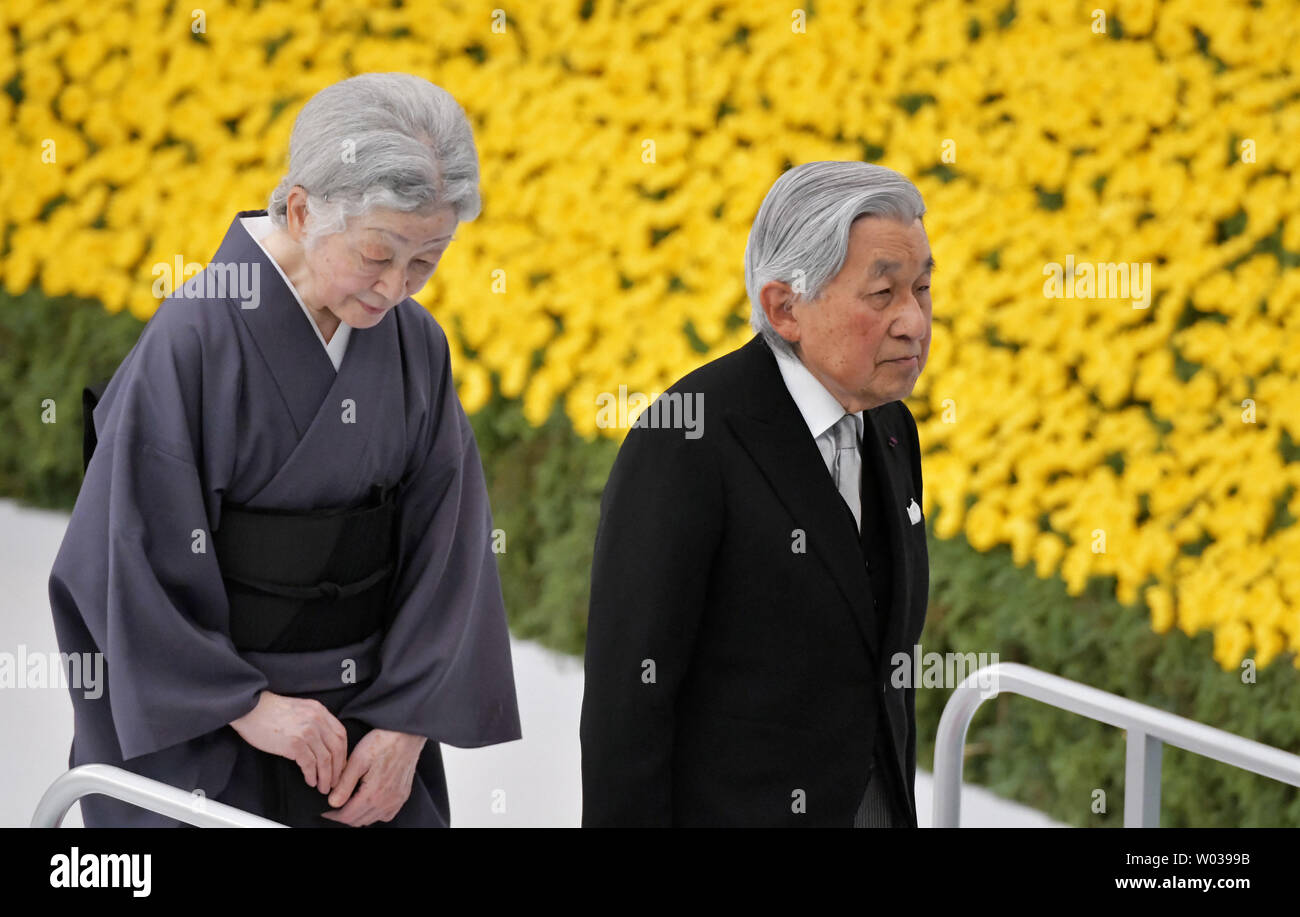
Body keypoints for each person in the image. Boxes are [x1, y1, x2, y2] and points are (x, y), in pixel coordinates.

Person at [48, 73, 521, 828]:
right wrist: (247, 704)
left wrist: (406, 725)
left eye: (425, 261)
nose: (397, 287)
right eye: (378, 254)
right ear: (301, 209)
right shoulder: (195, 339)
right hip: (208, 731)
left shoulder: (415, 345)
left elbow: (449, 546)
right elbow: (118, 561)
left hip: (365, 727)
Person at [580, 161, 932, 827]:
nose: (914, 321)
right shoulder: (686, 440)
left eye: (922, 287)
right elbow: (628, 707)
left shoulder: (890, 427)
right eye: (882, 294)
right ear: (785, 307)